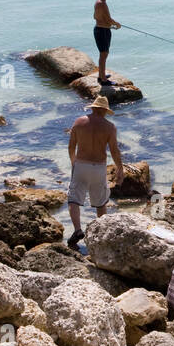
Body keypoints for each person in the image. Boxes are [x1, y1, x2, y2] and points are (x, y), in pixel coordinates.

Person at [66, 94, 123, 248]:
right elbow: (114, 151)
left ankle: (77, 230)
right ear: (104, 110)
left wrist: (74, 163)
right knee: (101, 203)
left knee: (74, 199)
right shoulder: (110, 127)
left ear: (93, 108)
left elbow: (71, 147)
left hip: (81, 165)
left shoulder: (79, 122)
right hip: (98, 167)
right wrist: (120, 168)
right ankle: (102, 233)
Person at [93, 0, 122, 86]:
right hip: (102, 31)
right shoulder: (102, 4)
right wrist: (117, 24)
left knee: (103, 54)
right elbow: (109, 19)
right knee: (104, 54)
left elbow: (95, 17)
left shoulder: (98, 1)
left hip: (100, 29)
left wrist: (108, 24)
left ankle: (101, 75)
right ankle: (103, 80)